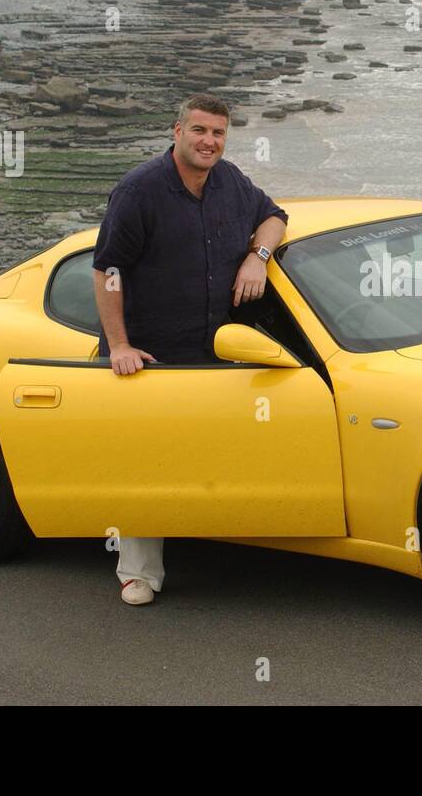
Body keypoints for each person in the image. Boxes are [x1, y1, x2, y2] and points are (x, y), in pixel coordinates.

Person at [91, 93, 288, 605]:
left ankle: (219, 543)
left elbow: (274, 216)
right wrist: (119, 346)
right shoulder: (139, 191)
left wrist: (257, 258)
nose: (209, 141)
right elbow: (106, 271)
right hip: (150, 357)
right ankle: (138, 573)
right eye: (199, 130)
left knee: (208, 454)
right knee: (147, 463)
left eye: (218, 133)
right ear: (176, 131)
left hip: (216, 354)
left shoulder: (230, 182)